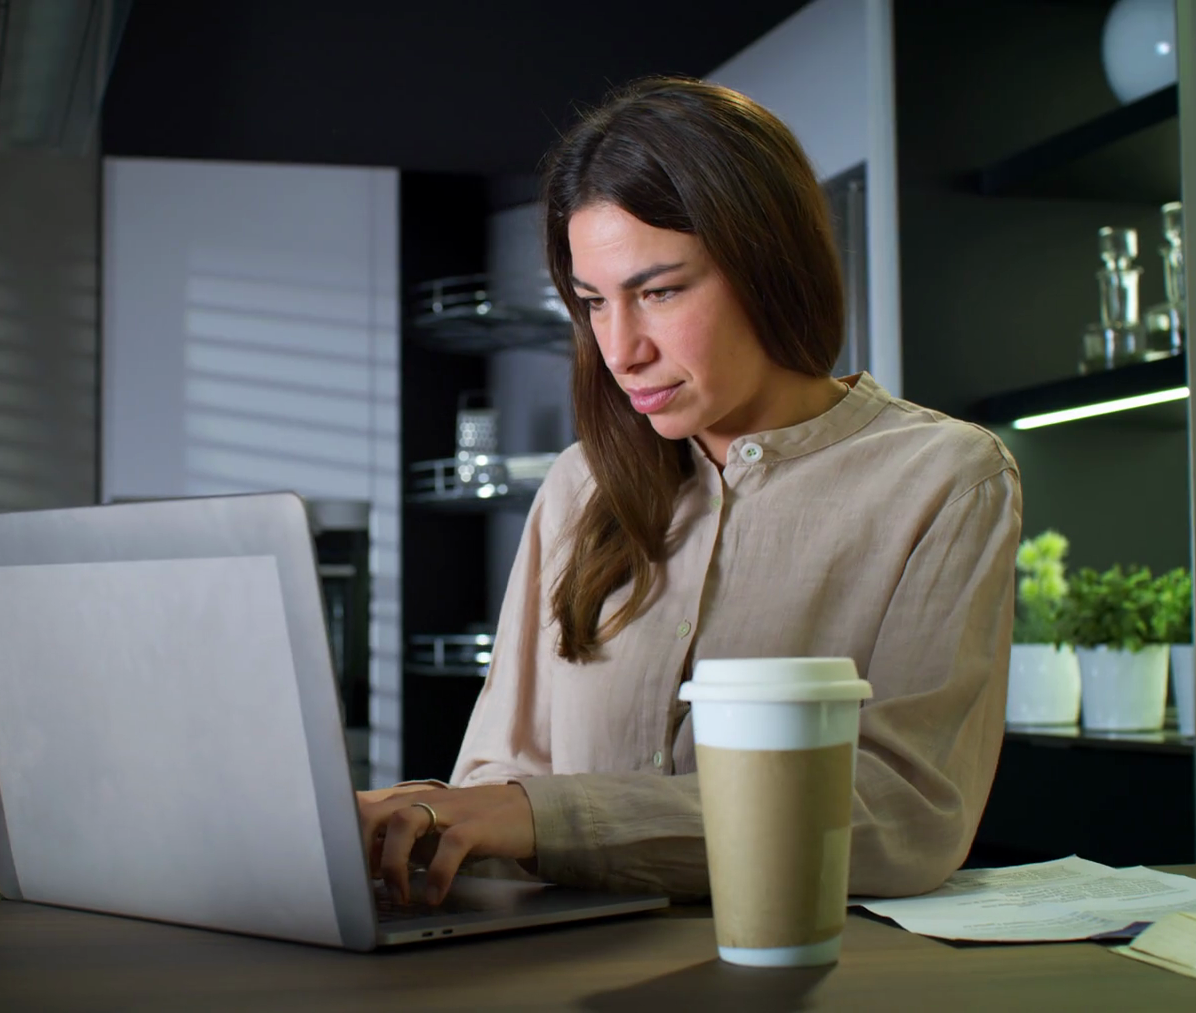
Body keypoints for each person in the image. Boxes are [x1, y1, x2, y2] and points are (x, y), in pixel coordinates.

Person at [360, 76, 1022, 907]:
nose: (620, 348)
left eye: (660, 290)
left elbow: (902, 817)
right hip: (562, 970)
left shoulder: (943, 477)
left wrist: (549, 817)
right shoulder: (580, 485)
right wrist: (424, 822)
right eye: (593, 303)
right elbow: (501, 767)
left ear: (768, 262)